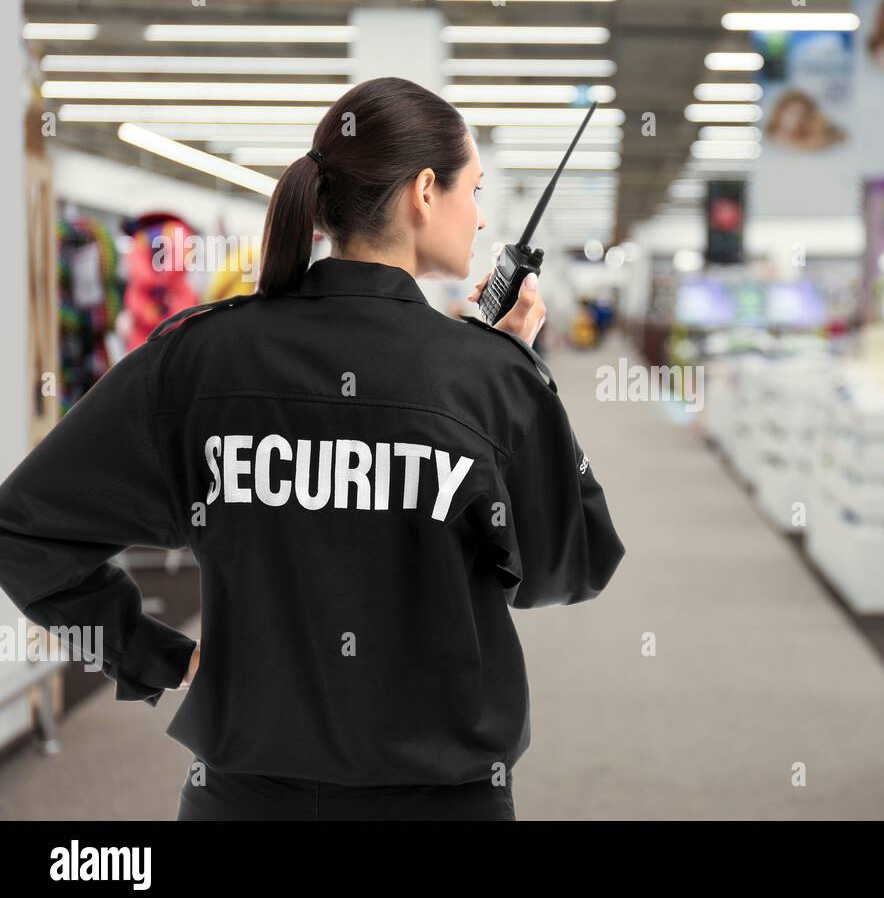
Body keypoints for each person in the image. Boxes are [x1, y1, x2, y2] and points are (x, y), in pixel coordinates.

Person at [0, 77, 625, 820]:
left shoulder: (197, 359)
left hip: (242, 798)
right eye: (474, 189)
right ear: (426, 191)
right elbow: (572, 566)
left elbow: (23, 532)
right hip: (443, 802)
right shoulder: (485, 376)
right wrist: (522, 373)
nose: (481, 216)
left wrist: (155, 656)